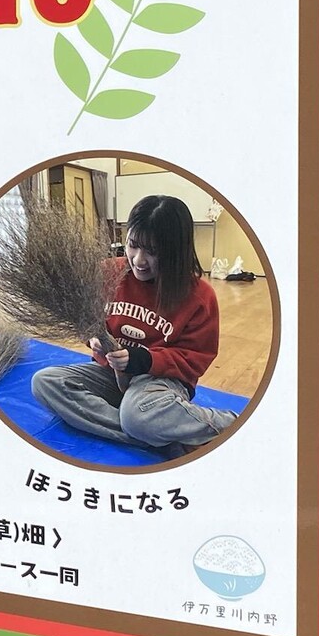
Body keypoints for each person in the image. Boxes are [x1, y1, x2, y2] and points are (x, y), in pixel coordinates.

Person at [30, 195, 236, 458]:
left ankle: (231, 424)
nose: (138, 260)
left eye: (153, 252)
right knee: (45, 382)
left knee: (139, 414)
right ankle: (154, 437)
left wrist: (143, 360)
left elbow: (195, 359)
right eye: (133, 245)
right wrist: (92, 338)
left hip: (161, 383)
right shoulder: (106, 272)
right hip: (109, 375)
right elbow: (89, 320)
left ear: (175, 251)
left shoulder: (199, 295)